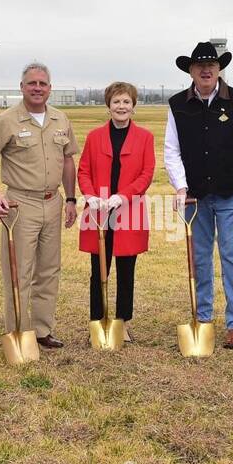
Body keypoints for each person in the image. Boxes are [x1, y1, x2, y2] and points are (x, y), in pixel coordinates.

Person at [164, 41, 233, 349]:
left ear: (219, 69)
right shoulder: (177, 104)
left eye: (211, 65)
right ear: (191, 71)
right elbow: (172, 150)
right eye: (199, 66)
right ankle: (203, 317)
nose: (206, 70)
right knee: (200, 259)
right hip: (196, 197)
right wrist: (180, 186)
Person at [0, 63, 78, 348]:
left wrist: (71, 198)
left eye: (43, 84)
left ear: (50, 88)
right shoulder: (7, 120)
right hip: (21, 203)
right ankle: (19, 332)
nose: (37, 88)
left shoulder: (61, 119)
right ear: (22, 87)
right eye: (31, 83)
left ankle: (42, 330)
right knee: (18, 270)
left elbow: (68, 160)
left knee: (49, 269)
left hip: (53, 201)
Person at [77, 82, 156, 341]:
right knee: (98, 268)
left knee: (126, 269)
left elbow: (146, 174)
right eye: (116, 102)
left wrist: (122, 197)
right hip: (98, 211)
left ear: (133, 106)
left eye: (126, 102)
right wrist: (90, 195)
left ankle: (122, 322)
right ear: (108, 106)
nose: (121, 106)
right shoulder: (94, 136)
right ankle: (97, 322)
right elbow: (84, 170)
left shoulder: (145, 137)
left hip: (128, 211)